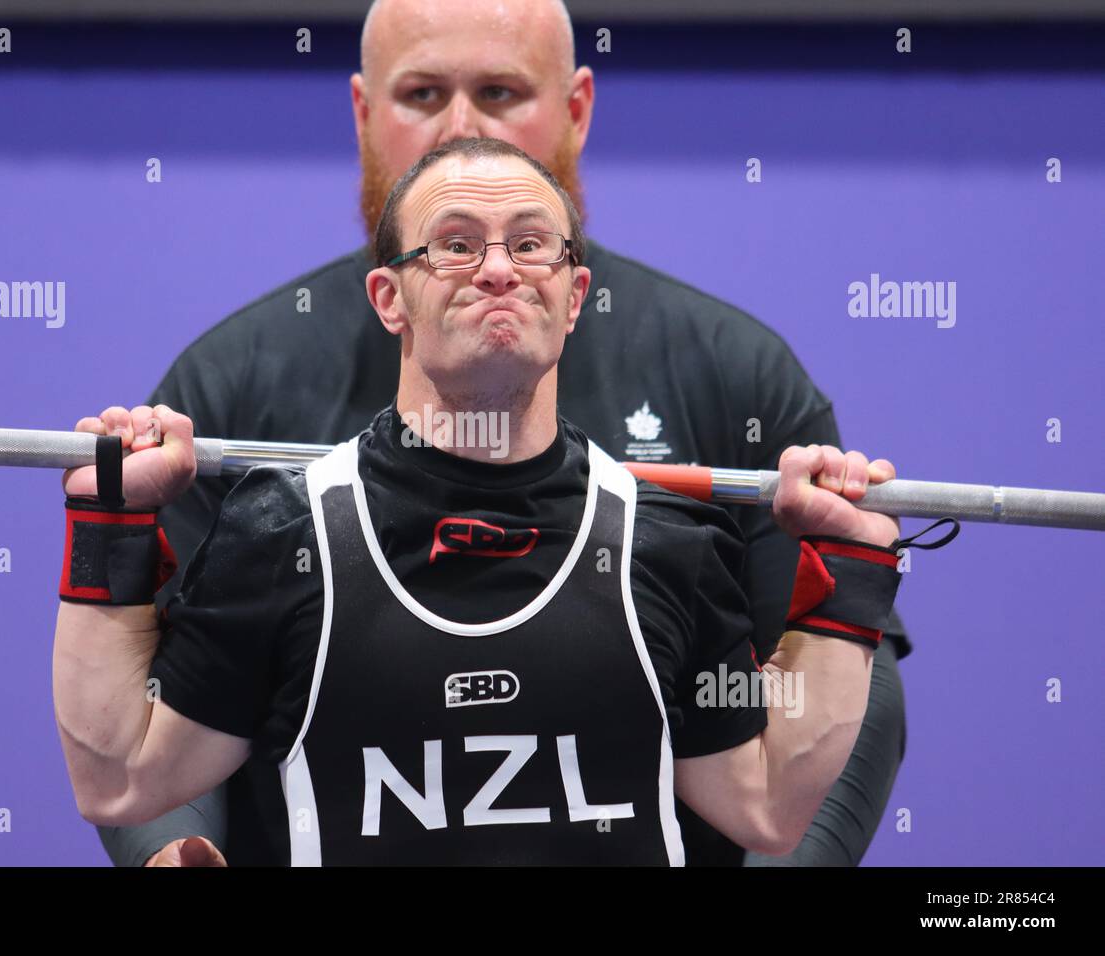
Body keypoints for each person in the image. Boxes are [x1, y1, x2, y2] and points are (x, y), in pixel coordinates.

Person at [101, 0, 911, 867]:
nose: (460, 128)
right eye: (421, 93)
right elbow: (148, 700)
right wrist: (169, 850)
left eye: (498, 91)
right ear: (363, 113)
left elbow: (848, 679)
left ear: (577, 108)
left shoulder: (733, 371)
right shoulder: (235, 381)